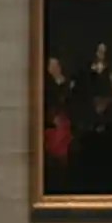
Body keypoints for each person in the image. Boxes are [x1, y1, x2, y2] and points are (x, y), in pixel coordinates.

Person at [43, 57, 74, 191]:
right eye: (50, 66)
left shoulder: (66, 84)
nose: (52, 68)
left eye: (54, 65)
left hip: (62, 124)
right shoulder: (46, 85)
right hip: (53, 127)